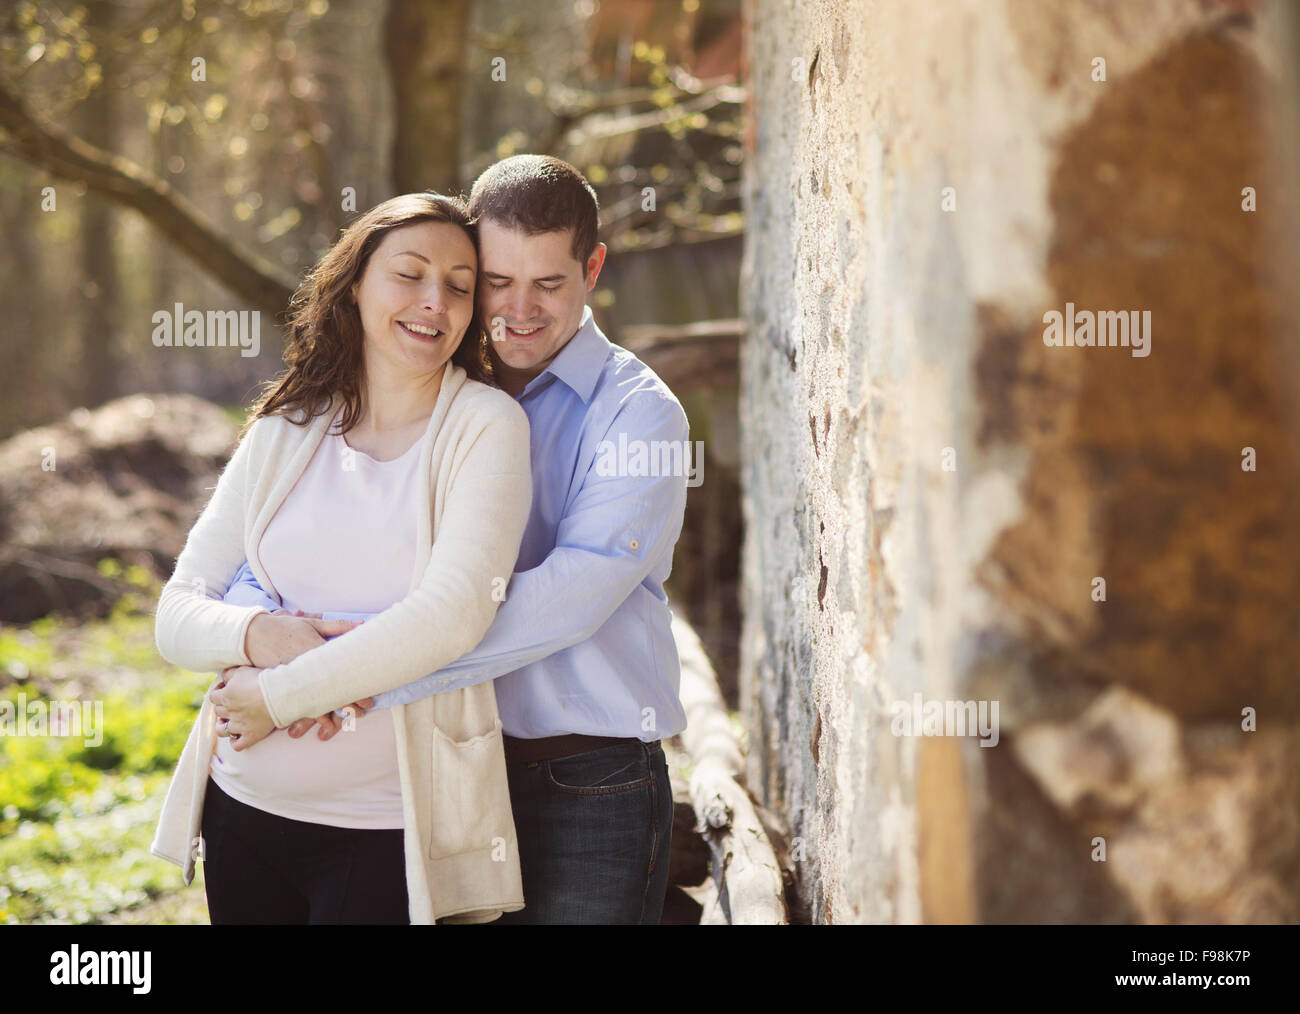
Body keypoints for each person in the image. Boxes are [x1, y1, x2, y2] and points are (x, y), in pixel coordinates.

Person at [216, 155, 692, 925]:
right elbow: (306, 529)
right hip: (440, 769)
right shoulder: (420, 389)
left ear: (593, 266)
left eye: (549, 283)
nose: (519, 311)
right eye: (497, 282)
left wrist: (344, 674)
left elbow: (567, 598)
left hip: (584, 777)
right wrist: (267, 633)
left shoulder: (642, 416)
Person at [149, 192, 533, 925]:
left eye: (458, 286)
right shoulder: (285, 429)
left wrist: (280, 695)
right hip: (243, 812)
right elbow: (177, 612)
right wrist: (265, 635)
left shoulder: (486, 427)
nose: (434, 301)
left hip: (385, 833)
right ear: (354, 283)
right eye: (410, 274)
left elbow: (451, 617)